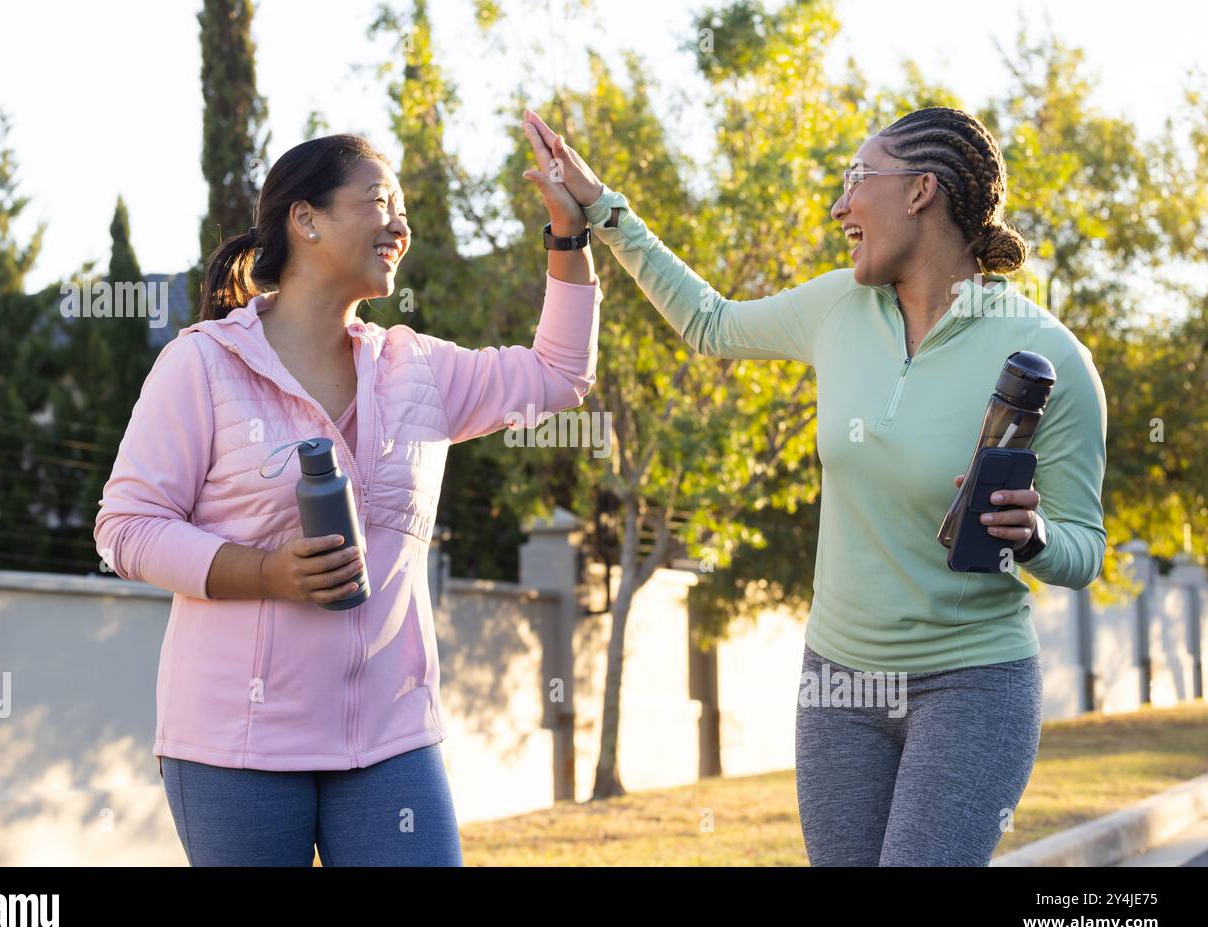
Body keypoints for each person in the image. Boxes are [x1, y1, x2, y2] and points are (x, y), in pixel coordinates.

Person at [524, 105, 1107, 866]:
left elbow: (1084, 548)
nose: (840, 205)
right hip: (839, 685)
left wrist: (1031, 537)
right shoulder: (840, 307)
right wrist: (603, 211)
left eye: (856, 179)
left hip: (972, 686)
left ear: (921, 191)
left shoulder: (1048, 355)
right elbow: (710, 323)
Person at [93, 121, 601, 866]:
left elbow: (559, 375)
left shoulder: (416, 369)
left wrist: (568, 233)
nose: (400, 224)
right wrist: (264, 572)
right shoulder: (201, 365)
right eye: (378, 201)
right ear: (306, 219)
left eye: (403, 208)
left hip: (391, 741)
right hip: (236, 745)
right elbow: (127, 526)